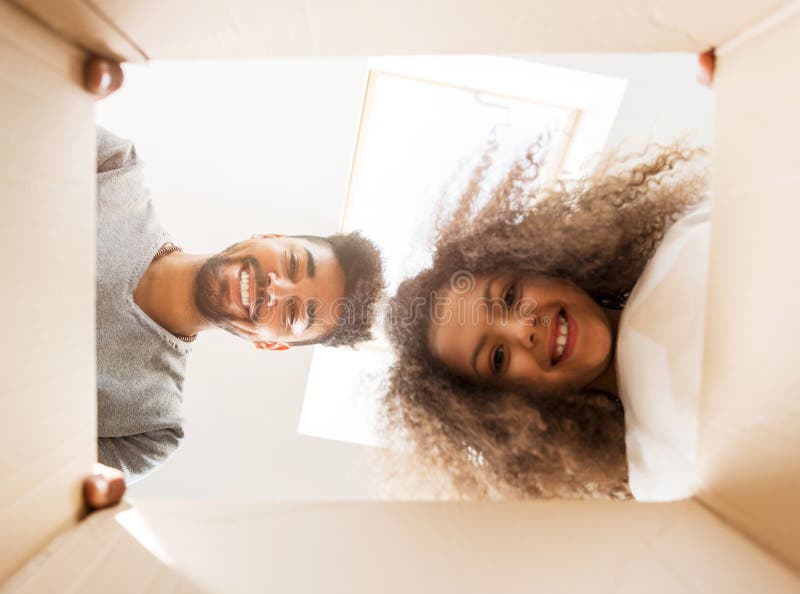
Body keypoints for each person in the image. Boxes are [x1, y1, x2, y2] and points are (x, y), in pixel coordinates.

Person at [380, 139, 709, 500]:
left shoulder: (694, 239)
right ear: (509, 406)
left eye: (508, 297)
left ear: (540, 263)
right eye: (498, 358)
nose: (524, 328)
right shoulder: (660, 476)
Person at [96, 126, 383, 483]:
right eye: (293, 263)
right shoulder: (115, 169)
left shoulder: (149, 434)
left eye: (293, 312)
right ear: (269, 236)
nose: (275, 288)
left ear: (270, 343)